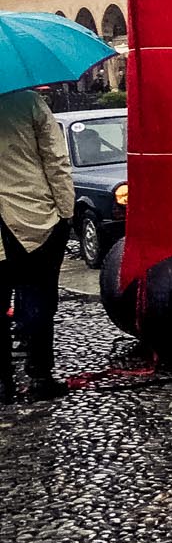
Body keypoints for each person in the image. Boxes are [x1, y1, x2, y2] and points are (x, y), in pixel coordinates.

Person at [0, 86, 75, 403]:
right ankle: (40, 376)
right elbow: (55, 159)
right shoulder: (27, 102)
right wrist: (66, 212)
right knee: (41, 299)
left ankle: (3, 384)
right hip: (34, 219)